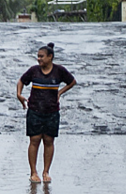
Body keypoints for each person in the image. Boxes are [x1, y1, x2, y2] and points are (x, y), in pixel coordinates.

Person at [16, 42, 76, 183]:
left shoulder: (59, 71)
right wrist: (19, 94)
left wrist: (60, 92)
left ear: (50, 57)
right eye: (38, 56)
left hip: (52, 111)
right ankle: (33, 172)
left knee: (49, 141)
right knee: (34, 140)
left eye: (42, 56)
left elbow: (72, 82)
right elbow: (21, 81)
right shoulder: (34, 71)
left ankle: (46, 172)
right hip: (34, 110)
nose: (39, 59)